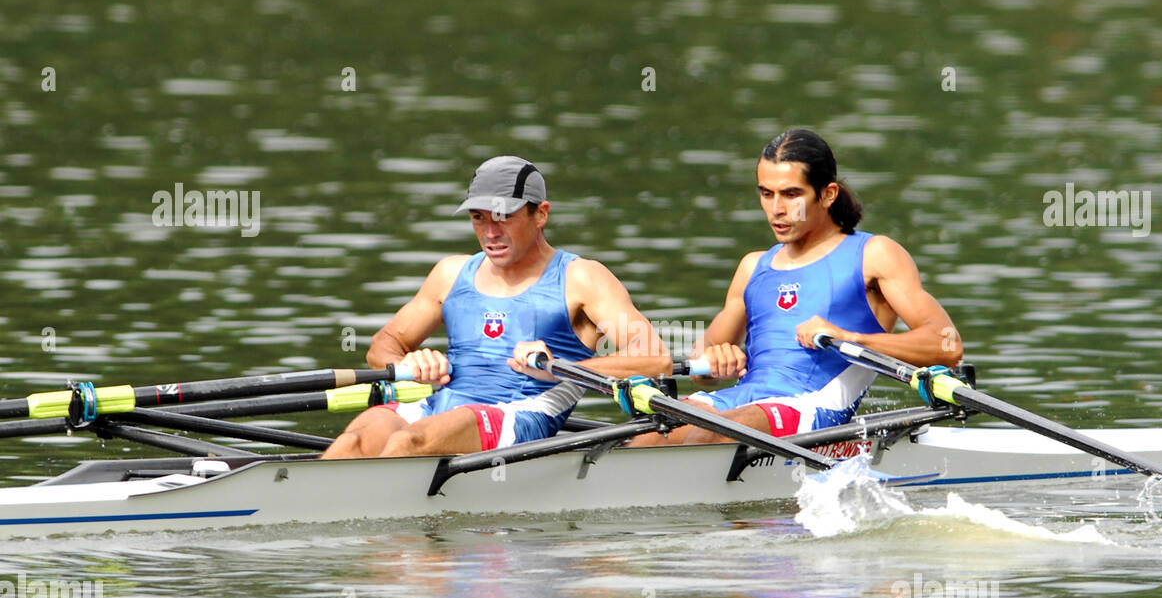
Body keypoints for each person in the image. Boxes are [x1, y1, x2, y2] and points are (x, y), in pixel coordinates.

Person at [323, 155, 669, 458]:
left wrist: (560, 366)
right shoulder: (450, 273)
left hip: (520, 416)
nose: (490, 232)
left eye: (503, 216)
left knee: (408, 442)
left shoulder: (581, 278)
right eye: (478, 218)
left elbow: (655, 358)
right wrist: (408, 362)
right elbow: (384, 344)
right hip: (437, 404)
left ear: (540, 214)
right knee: (353, 442)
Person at [633, 128, 962, 446]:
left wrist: (850, 338)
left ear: (827, 194)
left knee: (709, 433)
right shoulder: (753, 266)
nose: (776, 208)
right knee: (645, 434)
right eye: (766, 193)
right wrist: (716, 358)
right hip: (740, 401)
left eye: (791, 194)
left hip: (810, 410)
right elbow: (701, 369)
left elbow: (946, 346)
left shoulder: (874, 256)